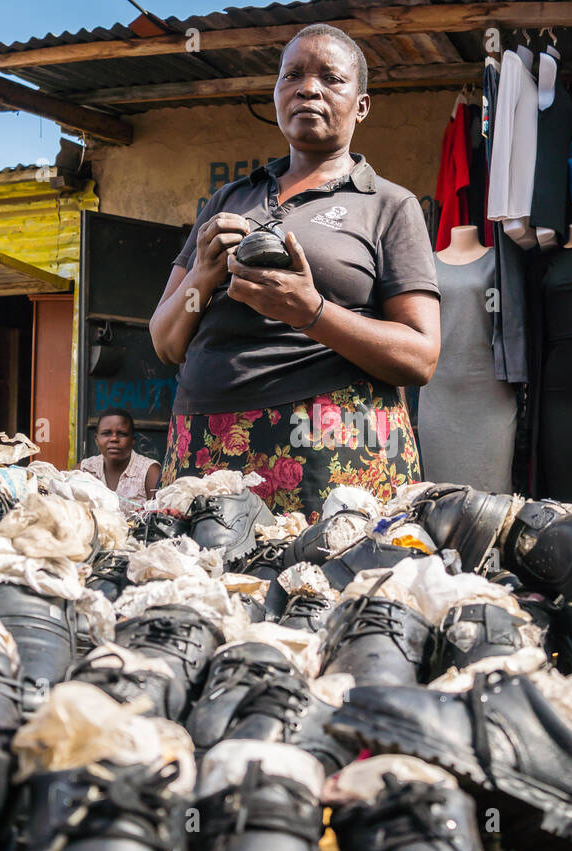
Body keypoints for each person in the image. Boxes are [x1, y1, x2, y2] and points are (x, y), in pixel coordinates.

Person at [149, 24, 440, 522]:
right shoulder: (228, 199)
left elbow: (420, 356)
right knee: (207, 592)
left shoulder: (389, 206)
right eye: (293, 76)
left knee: (318, 590)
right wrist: (201, 274)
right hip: (205, 446)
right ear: (278, 93)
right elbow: (166, 342)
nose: (309, 88)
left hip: (331, 450)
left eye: (331, 78)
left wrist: (313, 312)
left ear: (361, 105)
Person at [79, 407, 161, 509]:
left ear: (133, 440)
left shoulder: (149, 472)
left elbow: (159, 518)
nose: (114, 438)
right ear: (97, 439)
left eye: (122, 434)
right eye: (106, 433)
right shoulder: (85, 469)